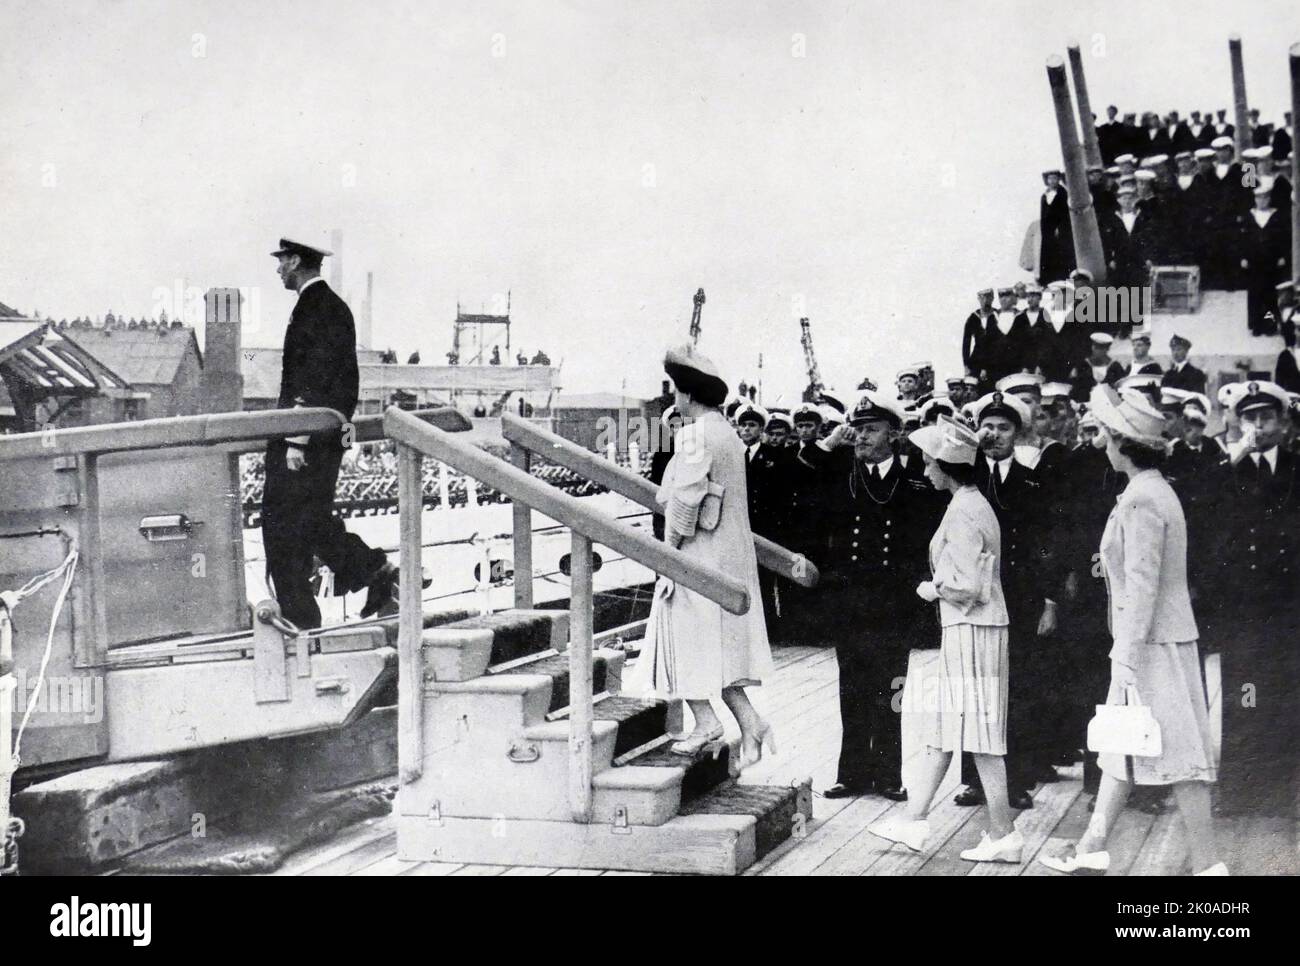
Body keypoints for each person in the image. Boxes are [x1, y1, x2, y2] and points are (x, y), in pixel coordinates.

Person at [1041, 386, 1224, 876]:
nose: (1100, 442)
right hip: (1152, 639)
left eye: (1104, 434)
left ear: (1123, 443)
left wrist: (1126, 653)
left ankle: (1208, 865)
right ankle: (1091, 846)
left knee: (1181, 751)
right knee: (1120, 744)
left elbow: (1142, 587)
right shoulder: (1151, 490)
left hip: (1151, 643)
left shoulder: (1142, 498)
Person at [867, 416, 1024, 863]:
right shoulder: (971, 503)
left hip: (971, 628)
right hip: (972, 630)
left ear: (943, 464)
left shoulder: (963, 510)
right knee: (954, 727)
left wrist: (931, 588)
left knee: (977, 732)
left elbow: (969, 585)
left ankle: (1000, 833)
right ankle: (919, 821)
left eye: (928, 461)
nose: (923, 469)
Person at [629, 345, 775, 766]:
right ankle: (751, 724)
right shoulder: (726, 431)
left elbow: (687, 501)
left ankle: (707, 722)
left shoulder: (694, 434)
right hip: (726, 555)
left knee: (679, 636)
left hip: (698, 555)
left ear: (688, 394)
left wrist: (668, 552)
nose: (674, 398)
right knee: (718, 647)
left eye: (676, 391)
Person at [801, 393, 942, 800]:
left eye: (872, 429)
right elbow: (801, 479)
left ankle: (889, 774)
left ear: (895, 435)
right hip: (849, 599)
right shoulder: (841, 473)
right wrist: (830, 444)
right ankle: (852, 772)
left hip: (894, 601)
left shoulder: (914, 478)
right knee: (853, 686)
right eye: (858, 429)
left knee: (892, 686)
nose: (862, 437)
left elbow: (925, 538)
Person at [261, 238, 402, 629]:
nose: (277, 270)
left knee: (280, 526)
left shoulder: (315, 308)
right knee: (309, 520)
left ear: (294, 262)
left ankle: (302, 623)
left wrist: (296, 438)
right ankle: (374, 571)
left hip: (307, 436)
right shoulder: (329, 307)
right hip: (323, 435)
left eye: (281, 262)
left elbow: (312, 376)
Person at [1212, 381, 1300, 817]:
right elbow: (1202, 502)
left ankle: (1284, 792)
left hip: (1287, 606)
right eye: (1250, 418)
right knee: (1244, 692)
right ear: (1238, 422)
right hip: (1243, 606)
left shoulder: (1296, 469)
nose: (1259, 426)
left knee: (1286, 692)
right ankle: (1239, 788)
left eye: (1266, 418)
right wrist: (1234, 455)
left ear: (1284, 423)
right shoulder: (1229, 468)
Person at [1040, 169, 1074, 284]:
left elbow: (1065, 214)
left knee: (1062, 255)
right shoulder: (1044, 196)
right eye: (1050, 178)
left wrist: (1060, 228)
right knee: (1049, 255)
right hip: (1048, 232)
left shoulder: (1063, 193)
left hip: (1061, 230)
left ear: (1058, 179)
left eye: (1055, 178)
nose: (1052, 181)